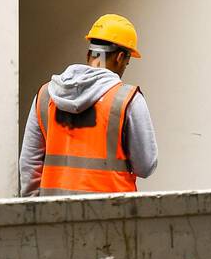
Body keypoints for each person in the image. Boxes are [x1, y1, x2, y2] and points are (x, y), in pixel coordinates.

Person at [20, 14, 159, 197]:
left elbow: (29, 164)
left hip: (54, 216)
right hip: (113, 217)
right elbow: (146, 166)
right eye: (127, 60)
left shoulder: (46, 96)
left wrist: (37, 214)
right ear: (119, 57)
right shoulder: (127, 100)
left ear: (89, 54)